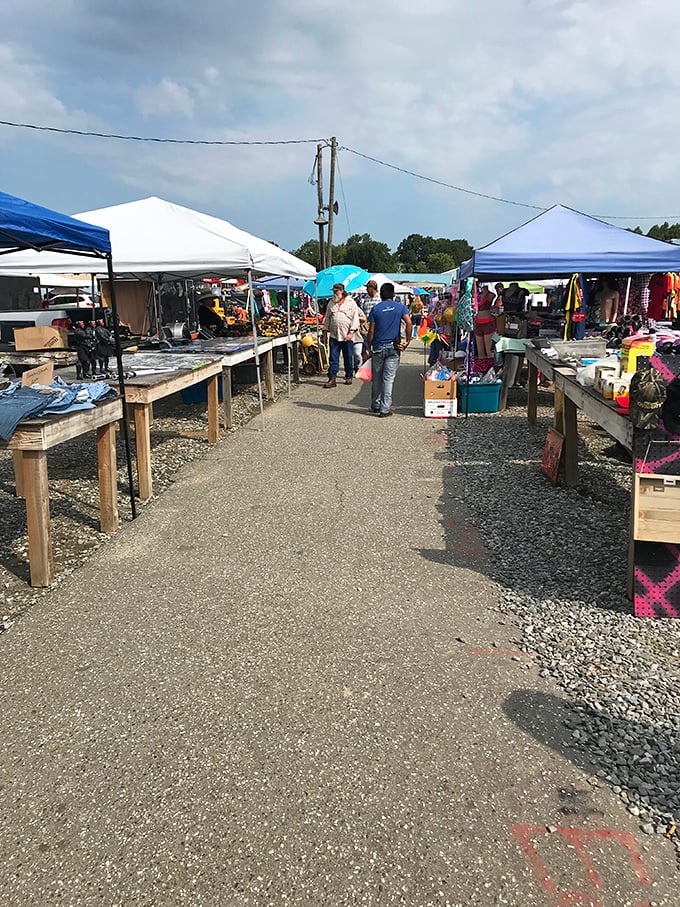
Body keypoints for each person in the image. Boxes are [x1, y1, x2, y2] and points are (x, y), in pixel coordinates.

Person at [365, 283, 413, 417]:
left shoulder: (376, 309)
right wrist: (407, 342)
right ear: (393, 294)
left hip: (378, 347)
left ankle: (375, 404)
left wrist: (368, 347)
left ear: (380, 294)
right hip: (394, 347)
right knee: (388, 379)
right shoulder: (400, 308)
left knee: (377, 377)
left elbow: (371, 331)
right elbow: (409, 323)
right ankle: (384, 409)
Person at [322, 283, 361, 387]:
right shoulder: (331, 303)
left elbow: (355, 319)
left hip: (347, 335)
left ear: (342, 291)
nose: (334, 293)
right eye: (333, 291)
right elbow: (327, 318)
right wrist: (325, 332)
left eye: (336, 291)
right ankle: (332, 378)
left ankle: (349, 376)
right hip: (334, 335)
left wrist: (351, 332)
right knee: (333, 358)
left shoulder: (351, 302)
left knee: (348, 357)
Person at [474, 286, 496, 359]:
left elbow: (494, 296)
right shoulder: (477, 295)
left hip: (488, 322)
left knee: (489, 350)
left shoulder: (490, 295)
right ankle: (482, 368)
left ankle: (491, 367)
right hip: (478, 323)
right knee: (480, 351)